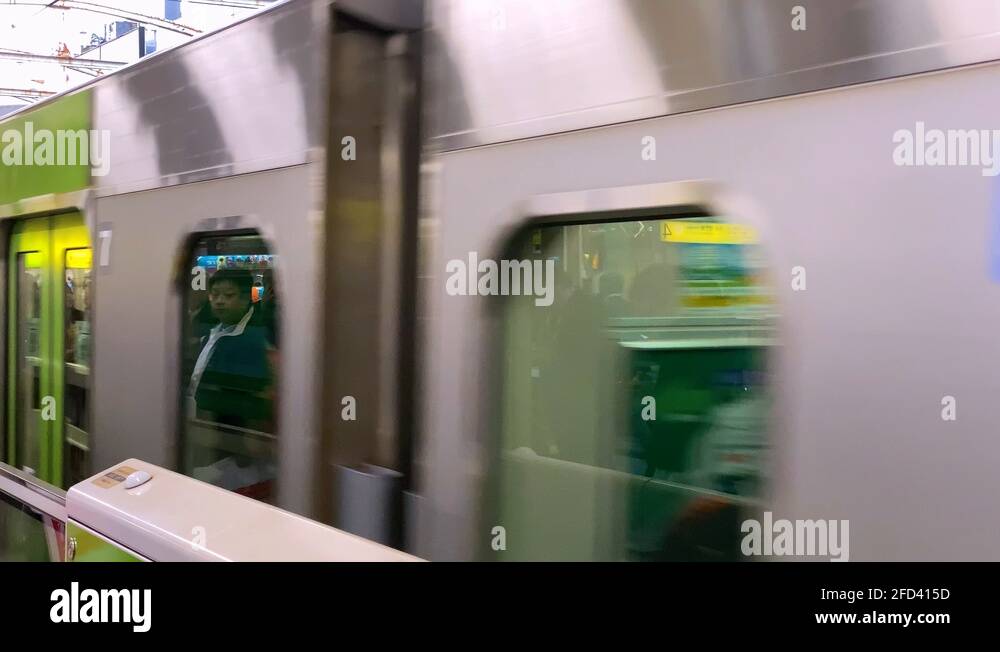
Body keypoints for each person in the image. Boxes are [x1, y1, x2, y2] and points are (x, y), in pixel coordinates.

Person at [188, 269, 274, 430]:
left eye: (228, 295)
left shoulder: (253, 337)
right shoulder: (211, 332)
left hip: (230, 428)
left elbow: (251, 397)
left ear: (245, 298)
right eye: (214, 295)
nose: (219, 301)